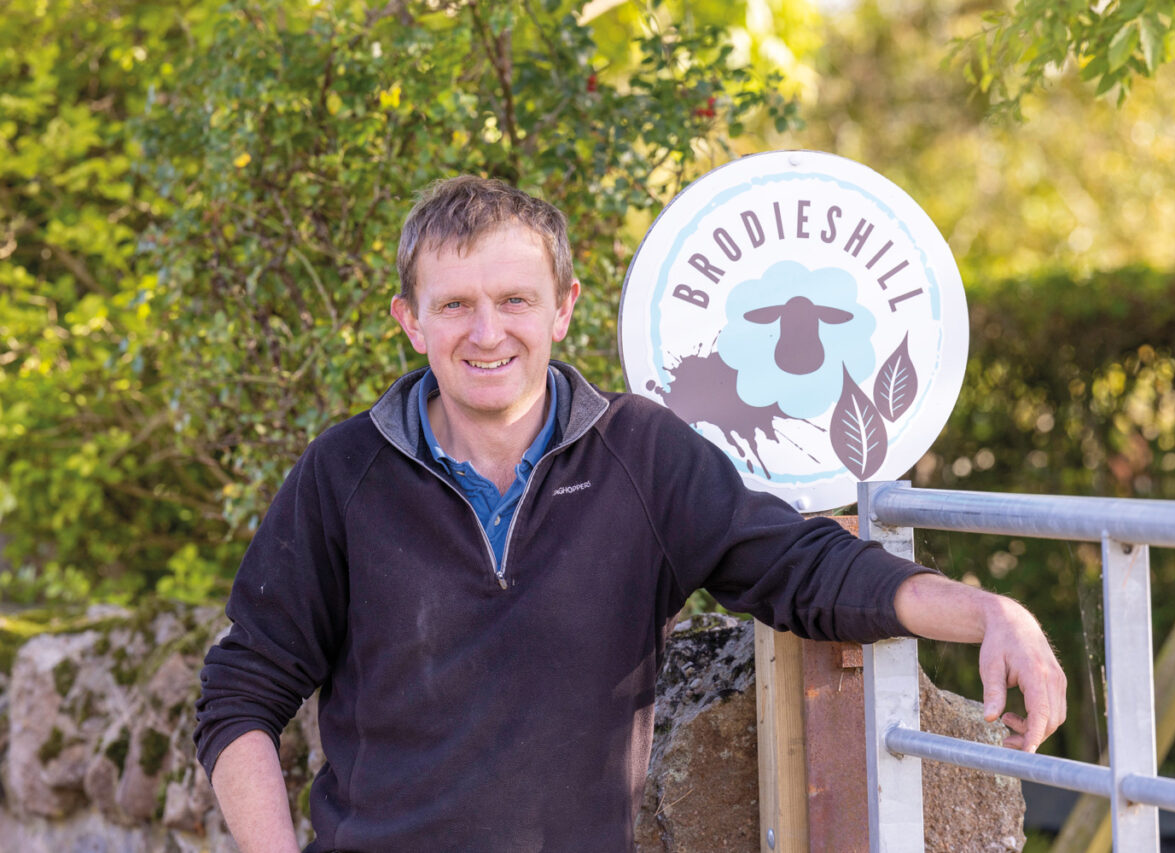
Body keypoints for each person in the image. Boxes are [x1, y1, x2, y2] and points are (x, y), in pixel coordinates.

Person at [194, 175, 1066, 852]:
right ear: (410, 321)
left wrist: (988, 610)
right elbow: (241, 691)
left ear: (564, 308)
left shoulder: (642, 457)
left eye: (515, 300)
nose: (486, 331)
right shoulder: (345, 473)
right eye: (455, 303)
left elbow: (803, 566)